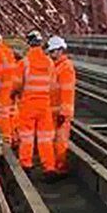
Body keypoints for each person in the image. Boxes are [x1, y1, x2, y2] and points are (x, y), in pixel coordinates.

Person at [14, 30, 57, 178]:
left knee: (26, 136)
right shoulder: (50, 62)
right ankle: (49, 166)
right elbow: (52, 85)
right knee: (46, 137)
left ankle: (26, 164)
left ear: (29, 43)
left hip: (28, 104)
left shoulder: (24, 62)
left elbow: (17, 85)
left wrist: (17, 95)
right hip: (44, 105)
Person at [47, 36, 75, 175]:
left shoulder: (66, 67)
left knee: (60, 141)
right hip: (53, 111)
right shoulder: (55, 66)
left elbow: (67, 91)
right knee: (54, 141)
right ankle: (54, 166)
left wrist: (63, 113)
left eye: (53, 52)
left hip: (61, 112)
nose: (51, 54)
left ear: (60, 51)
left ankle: (61, 168)